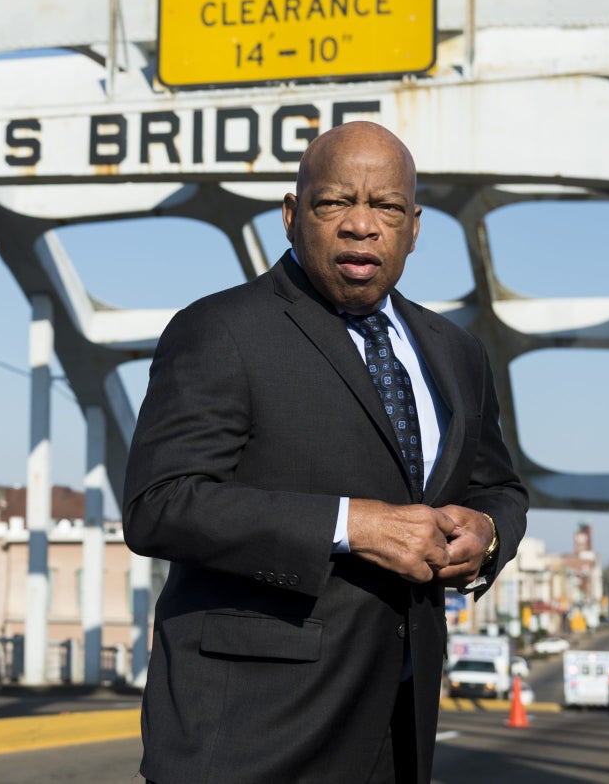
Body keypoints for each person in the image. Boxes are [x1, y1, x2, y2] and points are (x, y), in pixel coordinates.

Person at [122, 121, 527, 784]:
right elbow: (158, 506)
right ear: (291, 215)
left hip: (400, 726)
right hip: (248, 739)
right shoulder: (220, 329)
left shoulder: (456, 352)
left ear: (415, 226)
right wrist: (351, 525)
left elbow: (499, 488)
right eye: (334, 202)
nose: (361, 225)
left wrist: (486, 537)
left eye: (386, 207)